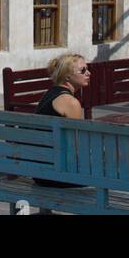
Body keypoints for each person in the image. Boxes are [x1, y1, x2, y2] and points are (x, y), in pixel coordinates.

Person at [32, 53, 91, 187]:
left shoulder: (50, 93)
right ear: (67, 76)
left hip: (40, 171)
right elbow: (76, 146)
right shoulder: (71, 103)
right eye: (83, 70)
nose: (88, 73)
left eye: (87, 69)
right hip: (57, 175)